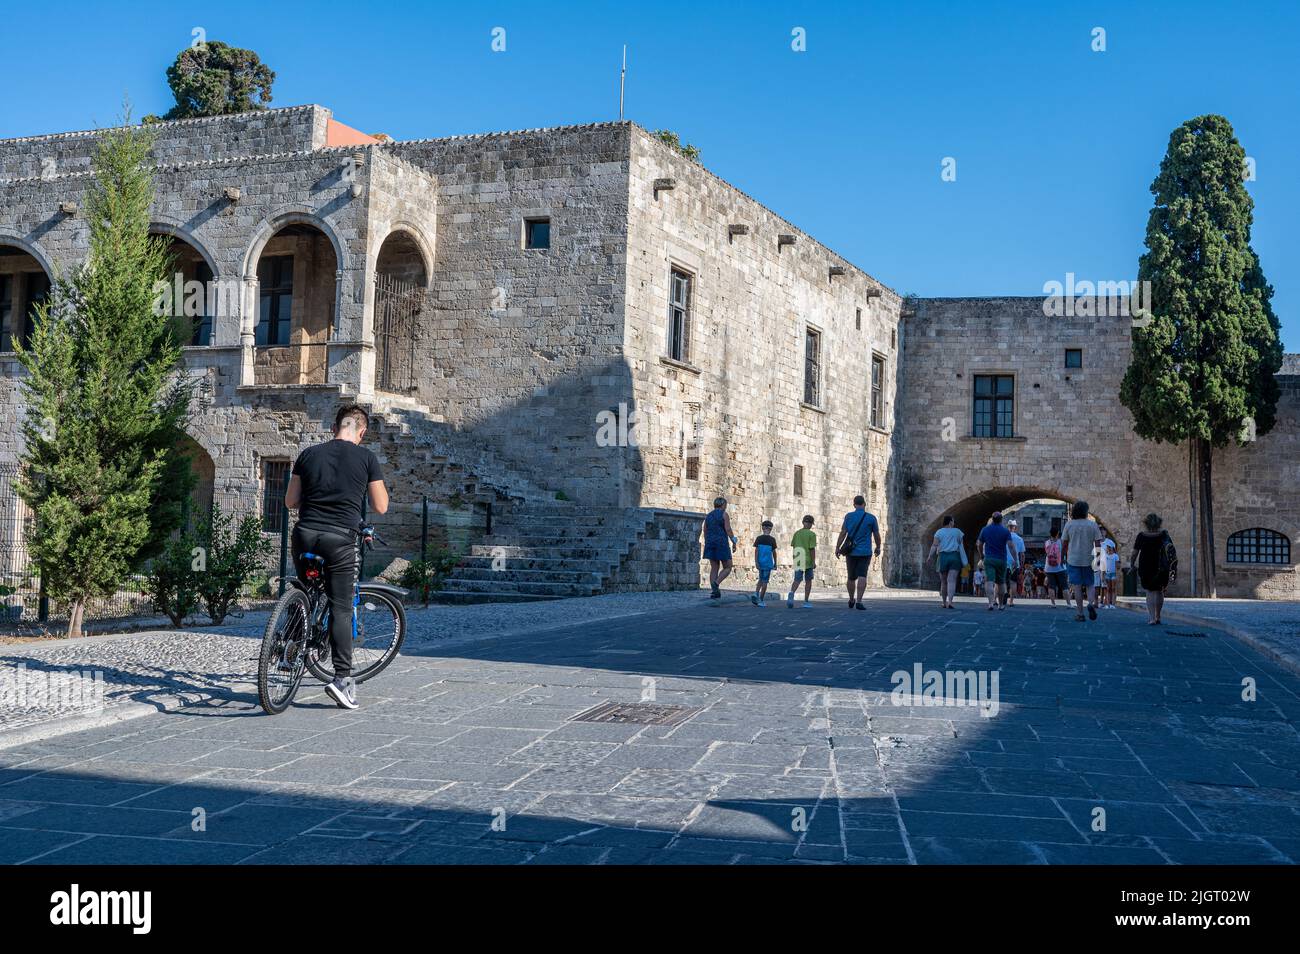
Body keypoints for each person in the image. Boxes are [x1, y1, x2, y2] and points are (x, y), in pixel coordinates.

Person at [284, 404, 389, 711]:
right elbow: (381, 506)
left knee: (305, 589)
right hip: (340, 540)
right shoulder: (367, 458)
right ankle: (342, 680)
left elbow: (291, 501)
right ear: (361, 431)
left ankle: (290, 644)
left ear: (334, 428)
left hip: (305, 533)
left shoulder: (308, 454)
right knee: (341, 607)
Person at [836, 495, 881, 611]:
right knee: (862, 575)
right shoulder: (871, 518)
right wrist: (878, 547)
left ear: (854, 504)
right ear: (864, 504)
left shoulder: (849, 517)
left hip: (851, 552)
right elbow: (876, 535)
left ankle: (851, 599)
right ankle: (859, 601)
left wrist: (838, 547)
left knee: (851, 577)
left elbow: (843, 533)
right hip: (865, 552)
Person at [1131, 513, 1176, 625]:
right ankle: (1158, 616)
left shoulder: (1141, 536)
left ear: (1146, 524)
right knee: (1159, 591)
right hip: (1162, 567)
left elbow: (1135, 553)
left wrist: (1132, 564)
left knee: (1150, 592)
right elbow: (1170, 550)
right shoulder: (1164, 535)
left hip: (1146, 567)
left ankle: (1152, 618)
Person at [1061, 500, 1102, 621]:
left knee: (1077, 587)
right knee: (1090, 584)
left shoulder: (1069, 524)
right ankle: (1090, 603)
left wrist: (1062, 557)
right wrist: (1098, 558)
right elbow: (1098, 543)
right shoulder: (1092, 525)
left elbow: (1064, 543)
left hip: (1073, 559)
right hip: (1088, 559)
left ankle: (1080, 613)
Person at [976, 511, 1014, 611]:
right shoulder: (1006, 531)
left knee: (989, 581)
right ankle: (1001, 604)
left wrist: (982, 556)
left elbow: (979, 544)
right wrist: (1015, 559)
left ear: (992, 519)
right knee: (1000, 583)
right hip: (1001, 560)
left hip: (989, 558)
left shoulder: (985, 530)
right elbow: (1011, 546)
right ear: (1001, 520)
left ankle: (990, 603)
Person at [926, 515, 965, 609]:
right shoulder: (958, 532)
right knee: (951, 580)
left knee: (943, 581)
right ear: (950, 522)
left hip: (942, 556)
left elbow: (934, 545)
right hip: (954, 556)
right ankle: (950, 602)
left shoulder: (939, 532)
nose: (954, 523)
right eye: (953, 521)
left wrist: (929, 556)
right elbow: (961, 545)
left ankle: (943, 602)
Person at [703, 496, 738, 600]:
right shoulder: (724, 514)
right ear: (723, 505)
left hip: (710, 543)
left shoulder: (708, 516)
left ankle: (714, 592)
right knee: (728, 566)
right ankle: (716, 583)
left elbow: (705, 530)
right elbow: (728, 529)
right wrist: (733, 540)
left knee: (714, 568)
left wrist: (707, 541)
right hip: (721, 543)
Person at [787, 515, 817, 608]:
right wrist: (813, 562)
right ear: (811, 524)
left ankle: (792, 593)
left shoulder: (797, 533)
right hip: (807, 558)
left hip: (798, 557)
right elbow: (812, 549)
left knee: (797, 579)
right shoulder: (812, 534)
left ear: (803, 522)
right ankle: (806, 601)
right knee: (808, 581)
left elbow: (793, 545)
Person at [751, 520, 778, 607]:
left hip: (760, 563)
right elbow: (774, 552)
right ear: (771, 529)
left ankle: (756, 593)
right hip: (768, 564)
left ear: (762, 528)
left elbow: (756, 551)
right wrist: (775, 563)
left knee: (760, 579)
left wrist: (756, 562)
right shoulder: (772, 540)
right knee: (765, 581)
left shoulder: (759, 538)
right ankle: (761, 600)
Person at [1043, 527, 1067, 607]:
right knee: (1064, 586)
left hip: (1049, 567)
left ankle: (1053, 603)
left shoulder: (1047, 543)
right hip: (1060, 567)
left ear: (1050, 534)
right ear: (1057, 534)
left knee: (1051, 586)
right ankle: (1069, 603)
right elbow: (1065, 550)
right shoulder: (1061, 542)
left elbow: (1047, 552)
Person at [1006, 519, 1026, 606]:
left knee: (1001, 582)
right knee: (1013, 582)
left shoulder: (1004, 537)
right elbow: (1022, 554)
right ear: (1015, 528)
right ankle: (1011, 601)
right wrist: (1022, 565)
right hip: (1015, 563)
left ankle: (996, 600)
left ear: (1008, 527)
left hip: (1005, 562)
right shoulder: (1019, 539)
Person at [1103, 541, 1120, 608]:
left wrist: (1116, 575)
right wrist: (1103, 574)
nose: (1108, 548)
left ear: (1112, 548)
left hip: (1113, 574)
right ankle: (1108, 604)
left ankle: (1113, 604)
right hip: (1107, 573)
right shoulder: (1105, 556)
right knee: (1107, 589)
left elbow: (1117, 566)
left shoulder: (1116, 556)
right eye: (1107, 547)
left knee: (1113, 589)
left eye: (1109, 547)